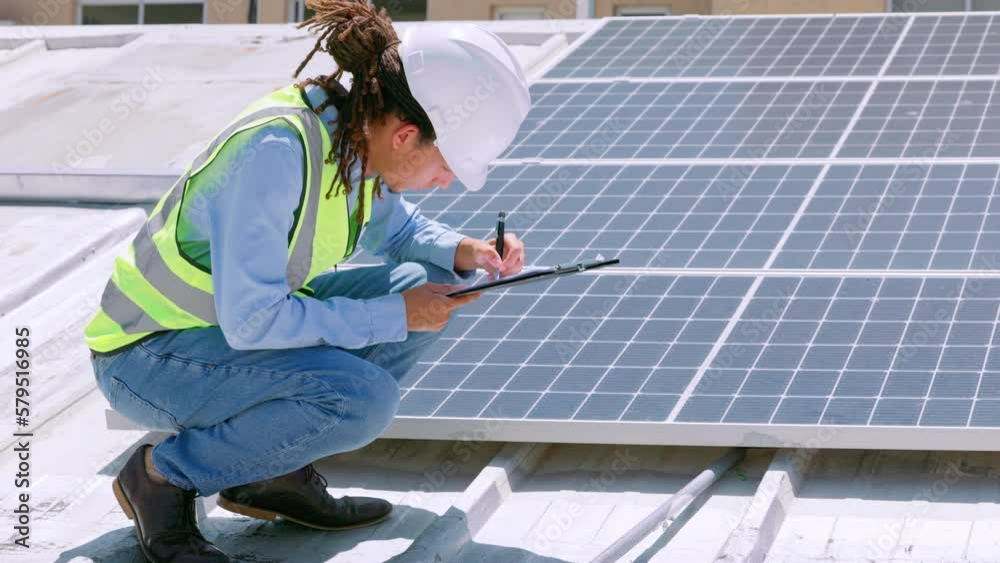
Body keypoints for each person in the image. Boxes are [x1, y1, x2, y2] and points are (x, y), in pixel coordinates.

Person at [83, 1, 531, 561]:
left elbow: (398, 229)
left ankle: (269, 474)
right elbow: (254, 322)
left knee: (435, 276)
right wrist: (394, 315)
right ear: (405, 134)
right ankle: (161, 478)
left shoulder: (352, 137)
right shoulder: (274, 153)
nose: (446, 182)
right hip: (148, 356)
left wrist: (468, 251)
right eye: (447, 166)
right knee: (360, 399)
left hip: (220, 336)